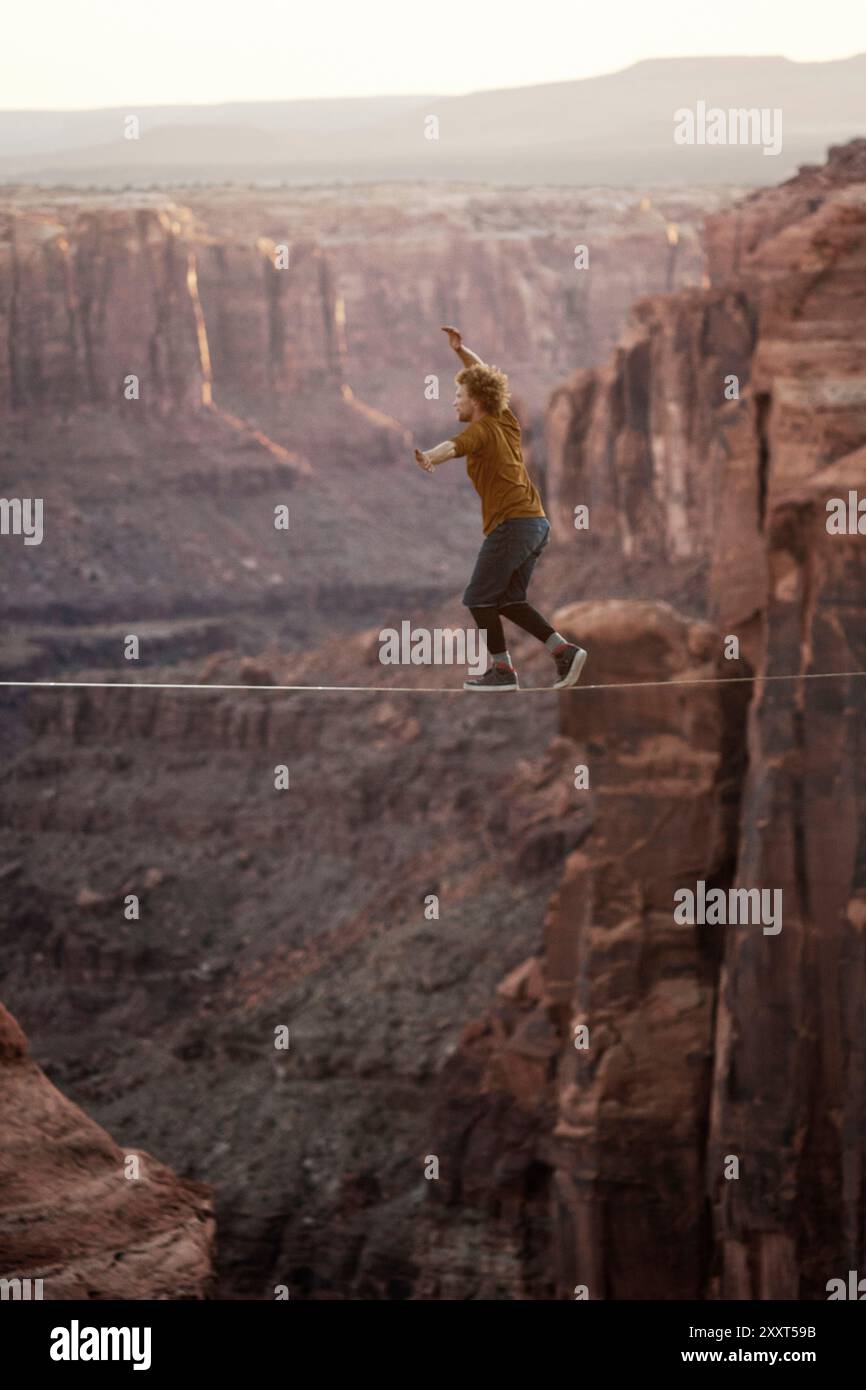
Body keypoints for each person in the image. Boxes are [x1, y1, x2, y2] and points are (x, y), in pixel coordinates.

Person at [413, 326, 588, 691]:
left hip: (512, 524)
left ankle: (502, 671)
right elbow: (483, 375)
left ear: (476, 399)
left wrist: (429, 457)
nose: (454, 402)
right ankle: (563, 651)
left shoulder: (479, 431)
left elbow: (453, 447)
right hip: (536, 525)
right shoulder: (505, 421)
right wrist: (462, 351)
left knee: (478, 598)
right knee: (508, 600)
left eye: (459, 396)